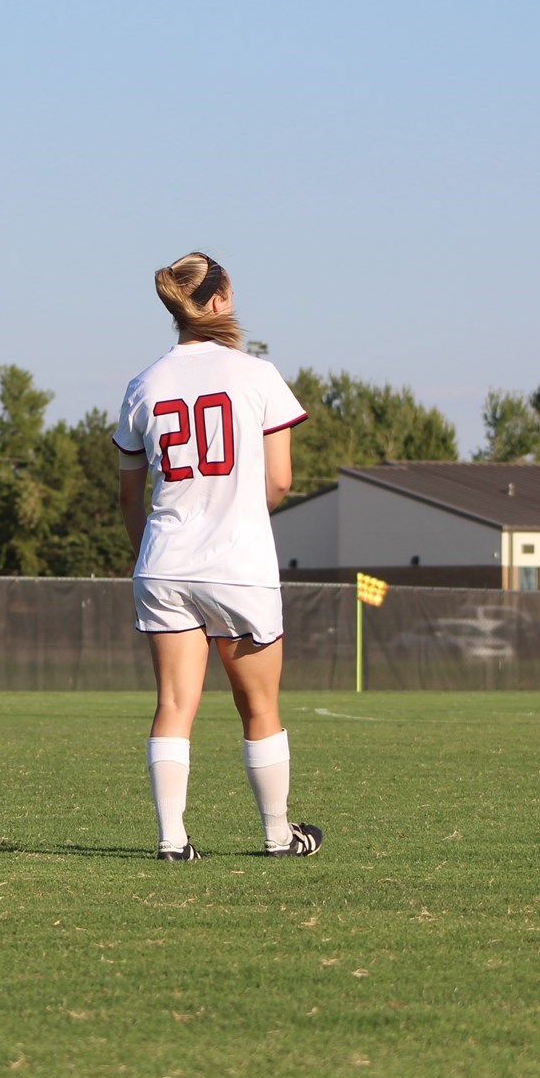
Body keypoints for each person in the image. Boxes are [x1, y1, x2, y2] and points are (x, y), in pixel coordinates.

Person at [114, 252, 320, 861]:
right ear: (221, 300)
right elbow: (279, 481)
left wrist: (147, 553)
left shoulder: (144, 383)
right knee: (258, 705)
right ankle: (277, 835)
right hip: (238, 563)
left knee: (174, 705)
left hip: (165, 561)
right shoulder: (258, 375)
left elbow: (129, 496)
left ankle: (172, 840)